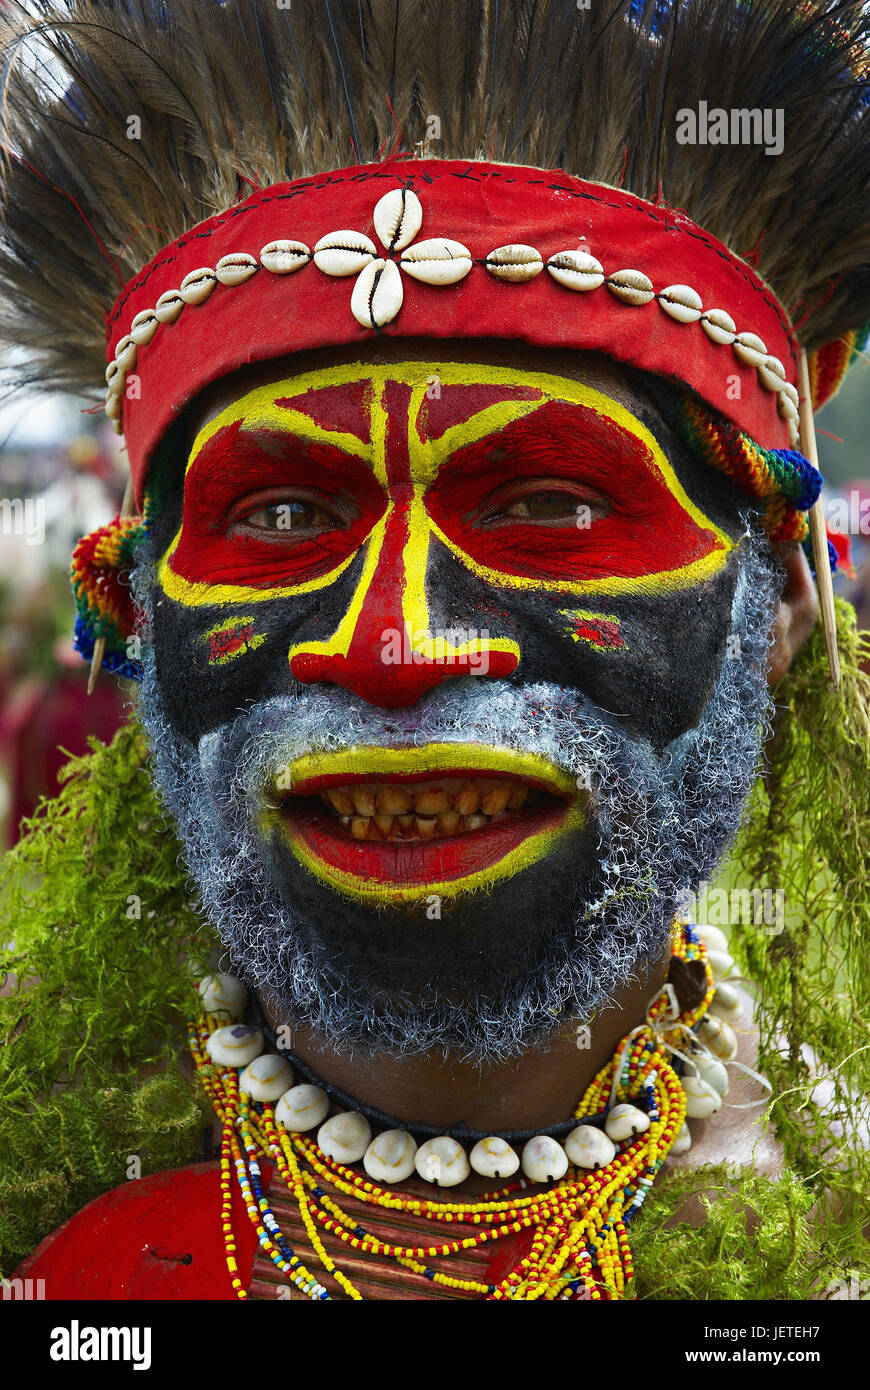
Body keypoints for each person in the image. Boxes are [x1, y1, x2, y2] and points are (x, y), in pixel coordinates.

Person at [1, 0, 868, 1302]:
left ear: (782, 596)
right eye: (281, 514)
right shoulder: (44, 1226)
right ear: (131, 606)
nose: (395, 644)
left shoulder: (833, 1223)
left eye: (552, 507)